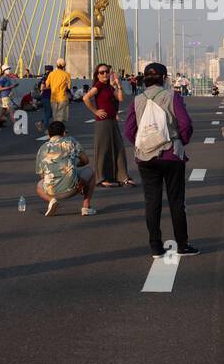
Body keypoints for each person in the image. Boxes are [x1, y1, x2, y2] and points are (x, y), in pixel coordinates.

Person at [124, 62, 197, 257]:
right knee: (176, 200)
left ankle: (156, 246)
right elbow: (185, 124)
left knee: (152, 201)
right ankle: (182, 245)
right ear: (164, 78)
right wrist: (180, 141)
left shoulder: (137, 100)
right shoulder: (172, 96)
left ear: (144, 79)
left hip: (145, 158)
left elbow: (129, 130)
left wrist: (143, 144)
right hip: (171, 155)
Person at [83, 63, 134, 187]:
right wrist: (95, 111)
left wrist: (118, 84)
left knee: (119, 148)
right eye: (101, 72)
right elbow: (86, 98)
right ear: (97, 75)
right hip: (103, 122)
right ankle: (101, 178)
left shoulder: (109, 87)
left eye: (106, 71)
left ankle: (122, 177)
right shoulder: (99, 86)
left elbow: (120, 98)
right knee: (103, 149)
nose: (105, 74)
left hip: (112, 121)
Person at [35, 120, 97, 217]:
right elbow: (85, 160)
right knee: (91, 171)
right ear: (64, 133)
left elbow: (42, 175)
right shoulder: (70, 141)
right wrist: (76, 165)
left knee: (39, 185)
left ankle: (51, 200)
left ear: (48, 134)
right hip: (72, 188)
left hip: (51, 191)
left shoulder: (42, 148)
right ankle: (86, 207)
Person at [46, 57, 72, 126]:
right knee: (60, 115)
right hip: (62, 97)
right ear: (64, 66)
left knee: (55, 115)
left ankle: (56, 128)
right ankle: (59, 129)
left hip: (53, 98)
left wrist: (53, 86)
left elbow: (47, 85)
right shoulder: (67, 74)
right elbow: (69, 87)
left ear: (56, 65)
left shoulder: (51, 74)